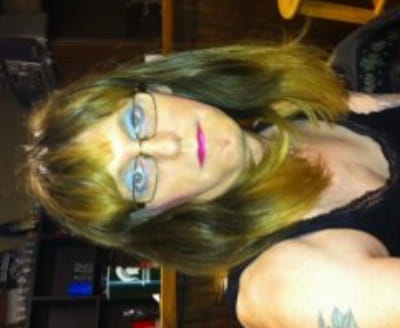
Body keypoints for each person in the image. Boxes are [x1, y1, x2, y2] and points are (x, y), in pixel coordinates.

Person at [24, 43, 400, 328]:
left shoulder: (293, 108)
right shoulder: (283, 280)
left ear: (159, 88)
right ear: (155, 215)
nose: (168, 146)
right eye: (137, 176)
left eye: (136, 120)